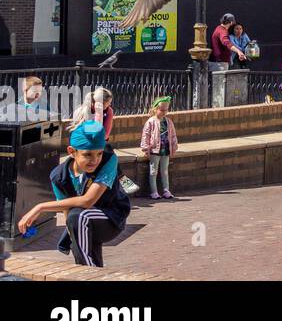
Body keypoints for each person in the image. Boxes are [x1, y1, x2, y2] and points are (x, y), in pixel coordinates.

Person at [16, 121, 130, 268]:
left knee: (79, 216)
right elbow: (67, 212)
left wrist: (40, 207)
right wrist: (73, 234)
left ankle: (88, 274)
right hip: (83, 221)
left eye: (99, 153)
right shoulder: (58, 176)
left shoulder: (109, 160)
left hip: (111, 217)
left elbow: (88, 201)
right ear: (71, 151)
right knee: (77, 222)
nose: (94, 160)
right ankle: (93, 272)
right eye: (87, 154)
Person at [139, 96, 179, 200]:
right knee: (153, 171)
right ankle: (154, 192)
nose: (164, 112)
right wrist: (145, 148)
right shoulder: (151, 121)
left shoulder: (168, 121)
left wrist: (174, 146)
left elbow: (173, 135)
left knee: (164, 171)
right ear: (155, 109)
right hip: (155, 150)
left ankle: (166, 190)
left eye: (166, 110)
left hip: (165, 149)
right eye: (162, 110)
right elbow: (146, 135)